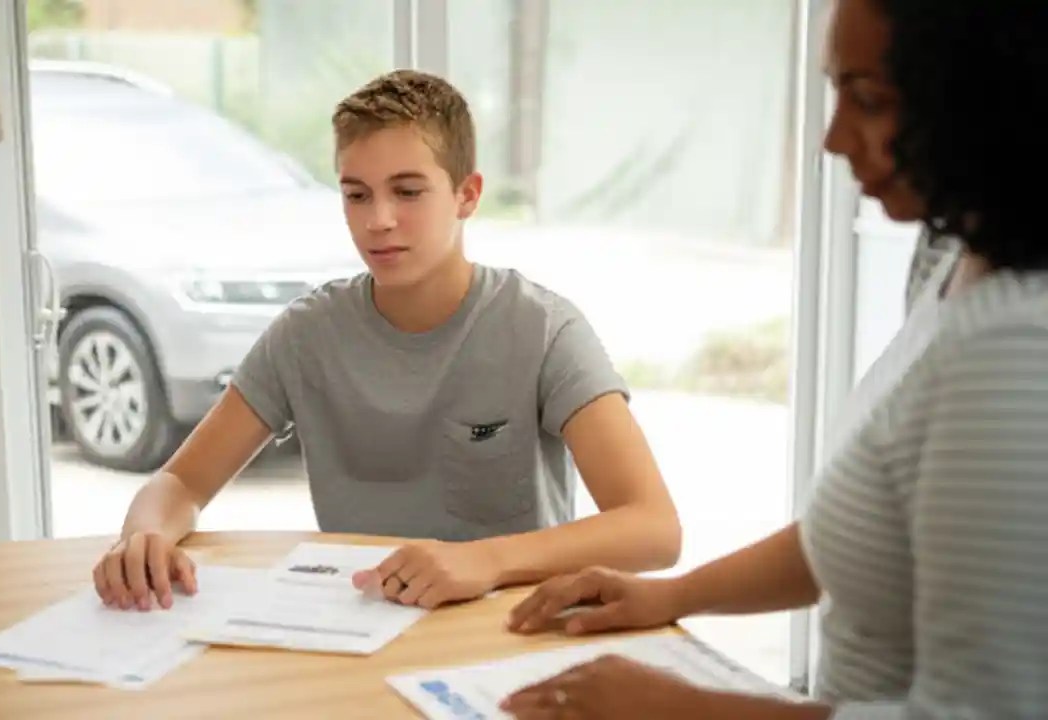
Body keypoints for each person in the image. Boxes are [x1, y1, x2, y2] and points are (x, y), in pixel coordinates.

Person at [501, 0, 1048, 717]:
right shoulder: (956, 266)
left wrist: (681, 709)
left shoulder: (1016, 347)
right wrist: (671, 595)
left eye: (869, 100)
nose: (833, 138)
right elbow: (869, 529)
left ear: (983, 95)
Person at [91, 70, 681, 613]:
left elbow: (654, 528)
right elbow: (180, 483)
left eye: (407, 191)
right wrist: (144, 536)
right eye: (357, 194)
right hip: (359, 622)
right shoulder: (307, 334)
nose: (378, 220)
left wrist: (486, 560)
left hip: (503, 630)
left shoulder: (544, 329)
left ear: (467, 195)